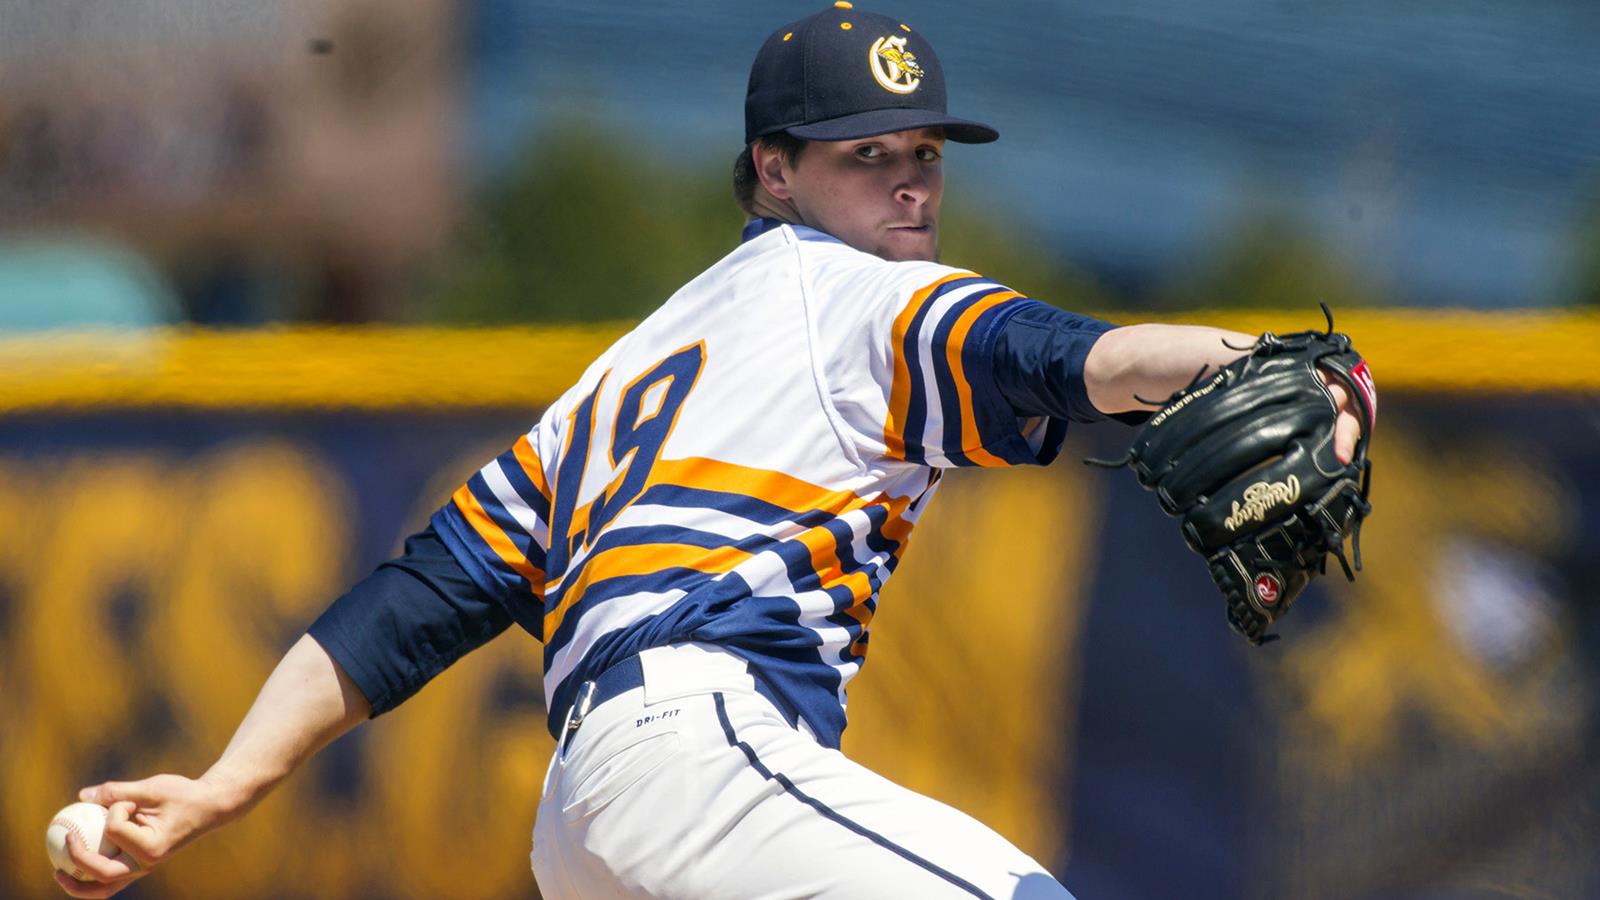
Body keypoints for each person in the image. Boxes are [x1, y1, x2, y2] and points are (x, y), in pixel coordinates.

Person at [56, 5, 1364, 898]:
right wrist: (1276, 365)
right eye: (867, 157)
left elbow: (417, 600)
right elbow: (1076, 357)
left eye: (924, 154)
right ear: (774, 171)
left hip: (583, 826)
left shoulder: (632, 366)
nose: (909, 185)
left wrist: (228, 781)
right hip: (698, 752)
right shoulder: (863, 298)